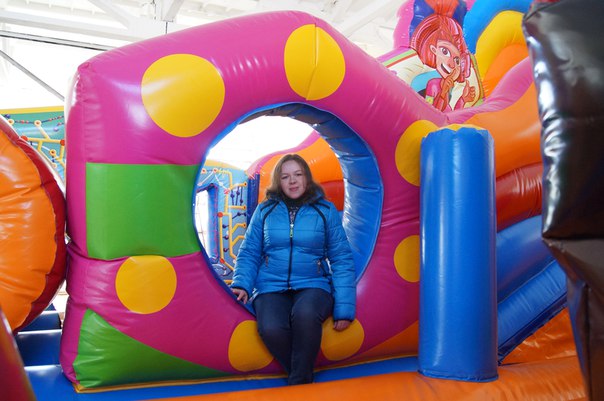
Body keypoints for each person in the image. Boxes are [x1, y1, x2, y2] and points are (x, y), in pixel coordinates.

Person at [231, 153, 356, 385]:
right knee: (270, 328)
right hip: (271, 284)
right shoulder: (265, 210)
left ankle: (298, 384)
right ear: (278, 181)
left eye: (298, 175)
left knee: (305, 315)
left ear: (306, 177)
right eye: (285, 176)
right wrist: (241, 284)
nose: (292, 181)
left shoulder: (325, 210)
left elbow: (341, 258)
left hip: (313, 283)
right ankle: (302, 378)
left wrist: (344, 308)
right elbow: (249, 252)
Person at [410, 0, 476, 111]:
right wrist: (443, 92)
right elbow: (430, 111)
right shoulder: (433, 84)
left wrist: (463, 99)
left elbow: (452, 114)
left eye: (457, 60)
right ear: (433, 49)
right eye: (445, 51)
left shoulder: (449, 85)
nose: (452, 64)